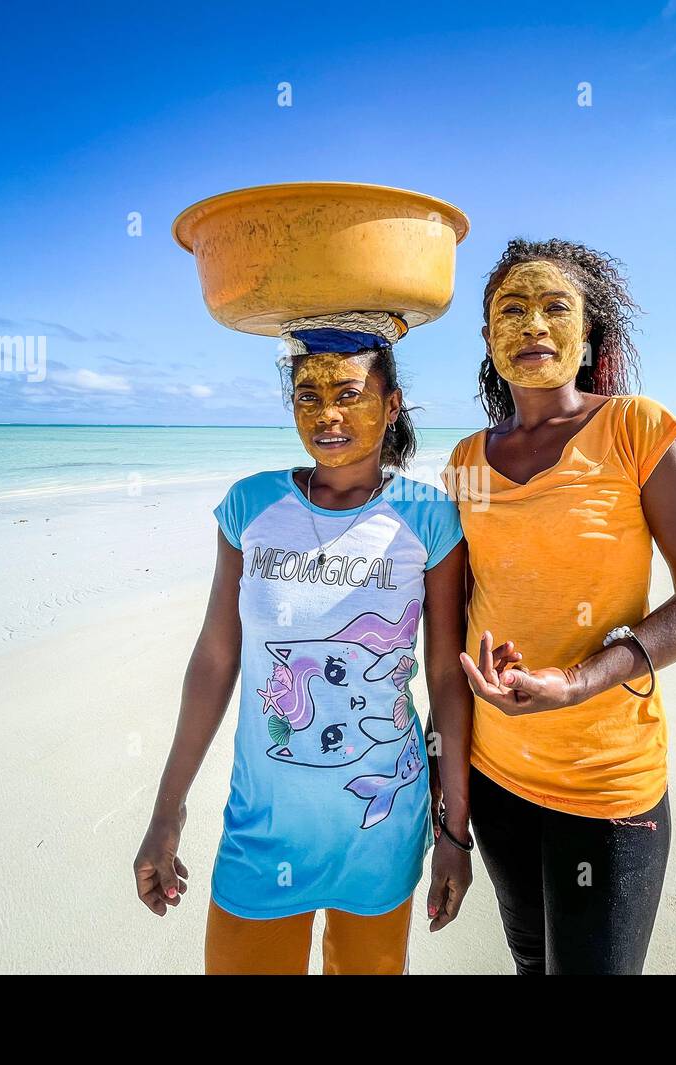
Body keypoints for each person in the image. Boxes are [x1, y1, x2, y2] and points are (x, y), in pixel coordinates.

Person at [134, 319, 473, 974]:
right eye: (308, 396)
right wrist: (167, 808)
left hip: (379, 831)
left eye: (349, 392)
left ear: (391, 403)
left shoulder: (429, 518)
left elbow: (446, 678)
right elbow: (214, 659)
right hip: (261, 830)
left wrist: (454, 831)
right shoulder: (250, 506)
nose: (329, 414)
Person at [445, 239, 676, 975]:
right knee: (533, 962)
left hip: (606, 782)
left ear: (589, 332)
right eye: (511, 309)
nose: (533, 324)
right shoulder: (465, 462)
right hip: (495, 776)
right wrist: (450, 817)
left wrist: (577, 681)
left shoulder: (637, 430)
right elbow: (451, 628)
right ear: (486, 336)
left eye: (554, 307)